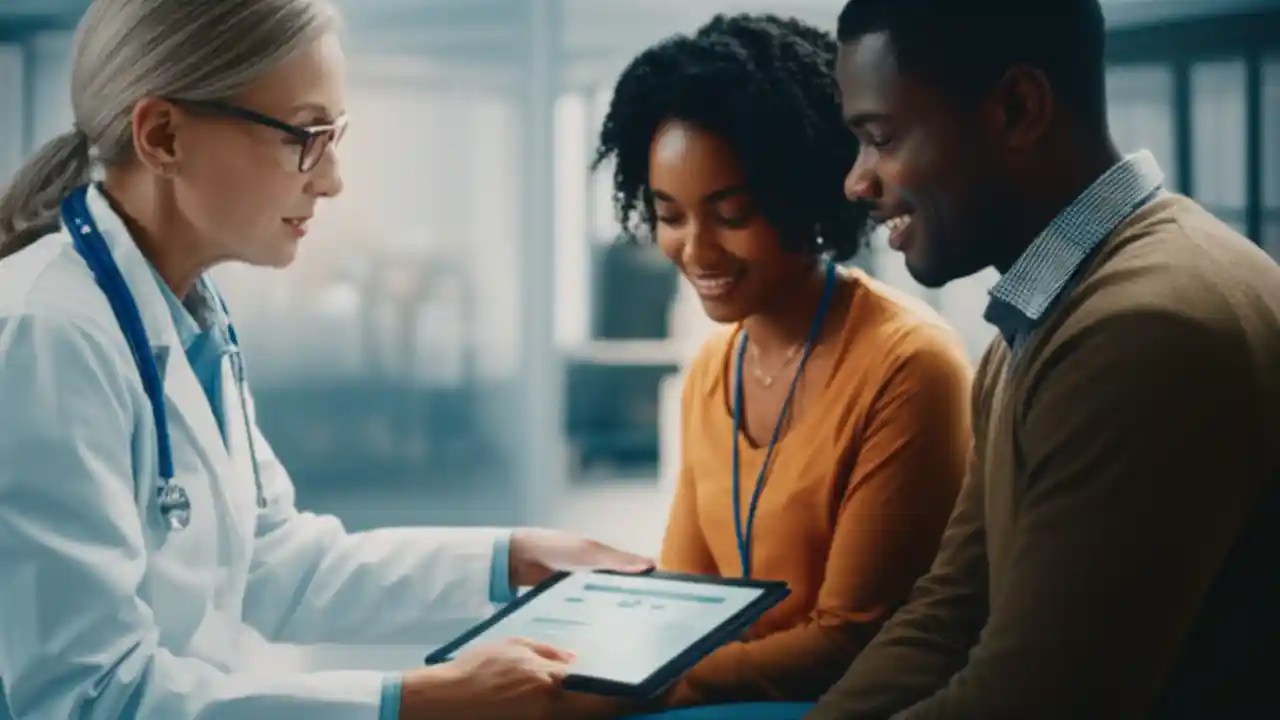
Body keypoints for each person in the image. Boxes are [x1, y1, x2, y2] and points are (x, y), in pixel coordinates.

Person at [0, 2, 652, 719]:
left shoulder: (187, 319)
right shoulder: (45, 333)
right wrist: (417, 701)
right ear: (163, 135)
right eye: (306, 137)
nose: (332, 178)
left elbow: (276, 566)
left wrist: (515, 558)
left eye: (334, 134)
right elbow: (87, 697)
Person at [810, 0, 1280, 717]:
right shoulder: (1042, 319)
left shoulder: (1140, 332)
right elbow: (950, 613)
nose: (857, 181)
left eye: (882, 138)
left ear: (1018, 109)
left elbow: (1033, 700)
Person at [582, 14, 973, 719]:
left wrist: (649, 688)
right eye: (670, 215)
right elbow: (685, 603)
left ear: (803, 196)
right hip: (720, 699)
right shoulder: (712, 369)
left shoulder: (908, 364)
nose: (697, 251)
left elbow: (853, 639)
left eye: (732, 214)